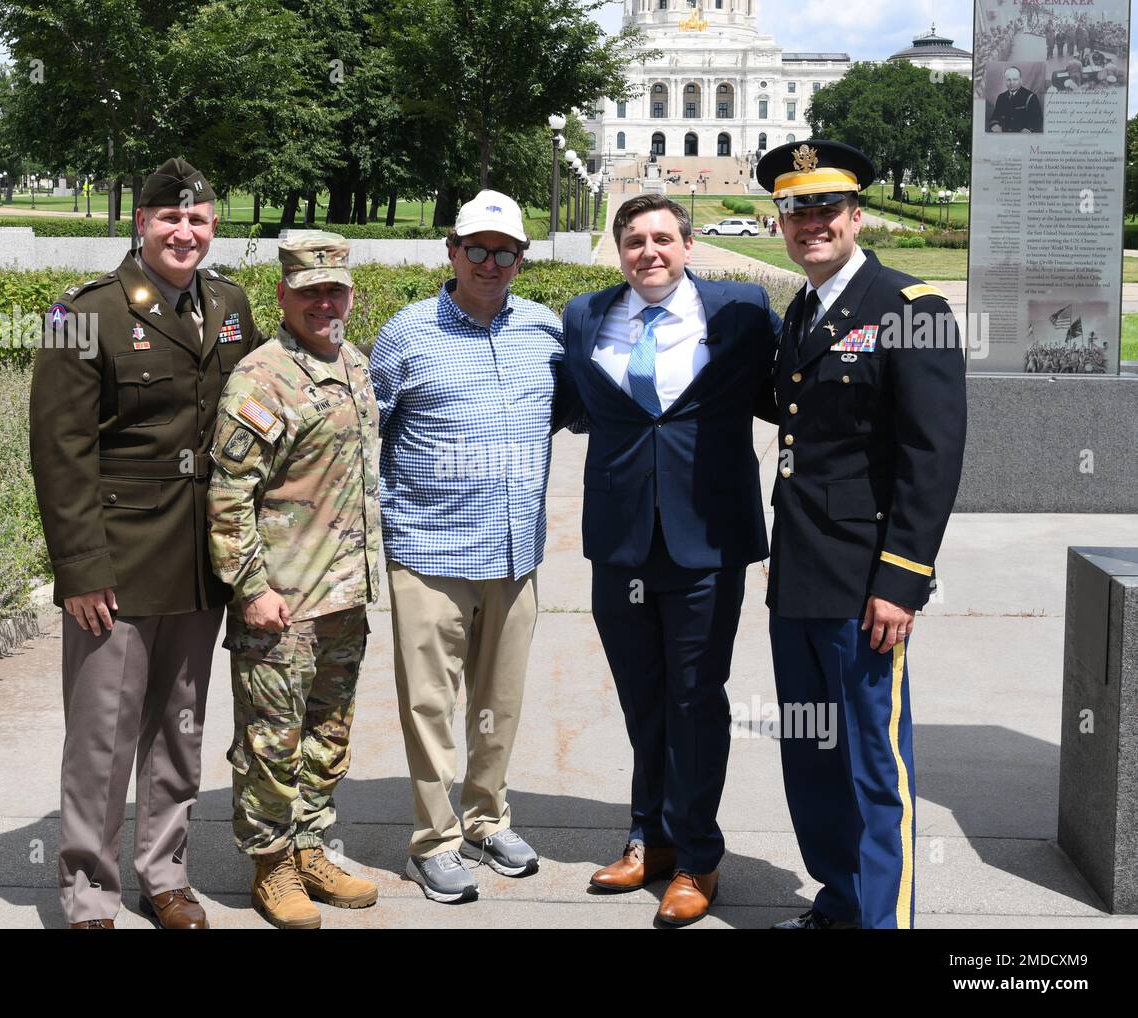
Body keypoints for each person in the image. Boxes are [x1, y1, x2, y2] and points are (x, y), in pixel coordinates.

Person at [30, 157, 265, 929]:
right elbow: (60, 454)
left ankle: (165, 875)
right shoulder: (80, 313)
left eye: (198, 220)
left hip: (201, 563)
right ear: (141, 224)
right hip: (119, 563)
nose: (184, 232)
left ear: (213, 227)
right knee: (102, 737)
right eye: (170, 218)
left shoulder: (229, 303)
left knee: (181, 729)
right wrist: (80, 570)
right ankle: (89, 891)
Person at [554, 193, 781, 927]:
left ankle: (697, 857)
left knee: (694, 696)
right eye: (634, 241)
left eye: (662, 239)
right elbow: (573, 401)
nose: (648, 252)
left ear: (688, 246)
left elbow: (796, 391)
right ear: (618, 251)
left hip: (706, 539)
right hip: (621, 540)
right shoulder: (586, 316)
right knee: (641, 697)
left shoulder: (741, 312)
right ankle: (644, 838)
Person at [756, 139, 966, 929]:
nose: (809, 222)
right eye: (793, 208)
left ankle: (885, 921)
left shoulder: (914, 309)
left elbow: (932, 456)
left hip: (865, 585)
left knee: (875, 765)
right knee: (812, 756)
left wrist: (901, 581)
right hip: (799, 577)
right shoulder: (804, 309)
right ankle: (839, 903)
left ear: (856, 214)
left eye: (824, 208)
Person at [369, 190, 561, 904]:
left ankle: (486, 817)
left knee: (499, 703)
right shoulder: (407, 334)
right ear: (451, 251)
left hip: (515, 554)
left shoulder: (545, 331)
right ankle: (434, 840)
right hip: (429, 553)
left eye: (503, 251)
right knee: (429, 707)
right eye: (475, 248)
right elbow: (367, 439)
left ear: (520, 259)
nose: (489, 262)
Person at [207, 232, 380, 930]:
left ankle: (309, 845)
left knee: (327, 736)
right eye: (309, 292)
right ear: (282, 296)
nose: (323, 302)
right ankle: (270, 863)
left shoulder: (356, 366)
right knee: (270, 744)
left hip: (344, 597)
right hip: (283, 603)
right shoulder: (262, 377)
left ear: (349, 293)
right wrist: (250, 588)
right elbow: (227, 494)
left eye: (334, 290)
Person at [988, 66, 1043, 133]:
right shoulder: (1001, 97)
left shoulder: (1031, 97)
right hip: (1004, 136)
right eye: (1008, 80)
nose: (1012, 83)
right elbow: (995, 117)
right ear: (1005, 80)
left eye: (1015, 79)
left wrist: (1028, 129)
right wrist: (995, 125)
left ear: (1020, 80)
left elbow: (1038, 120)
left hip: (1022, 138)